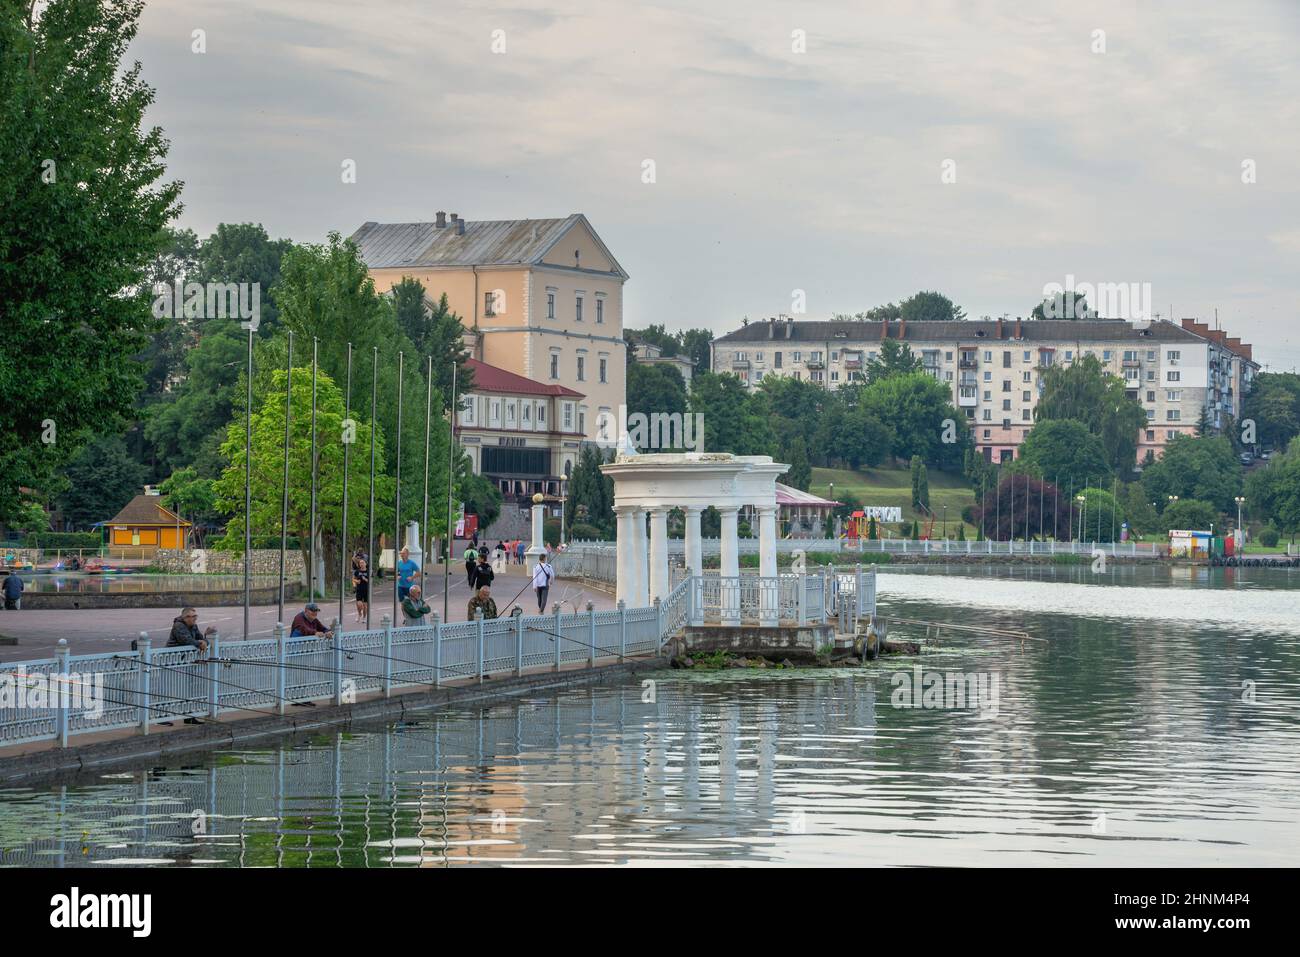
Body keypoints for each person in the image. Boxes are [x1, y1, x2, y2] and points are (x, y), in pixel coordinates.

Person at [351, 557, 370, 622]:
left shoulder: (368, 571)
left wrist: (365, 579)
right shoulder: (357, 571)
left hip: (366, 590)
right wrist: (356, 581)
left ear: (365, 564)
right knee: (359, 604)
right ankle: (359, 614)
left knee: (365, 606)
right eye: (360, 563)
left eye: (363, 563)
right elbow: (353, 579)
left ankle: (364, 618)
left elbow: (371, 581)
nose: (361, 564)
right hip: (359, 589)